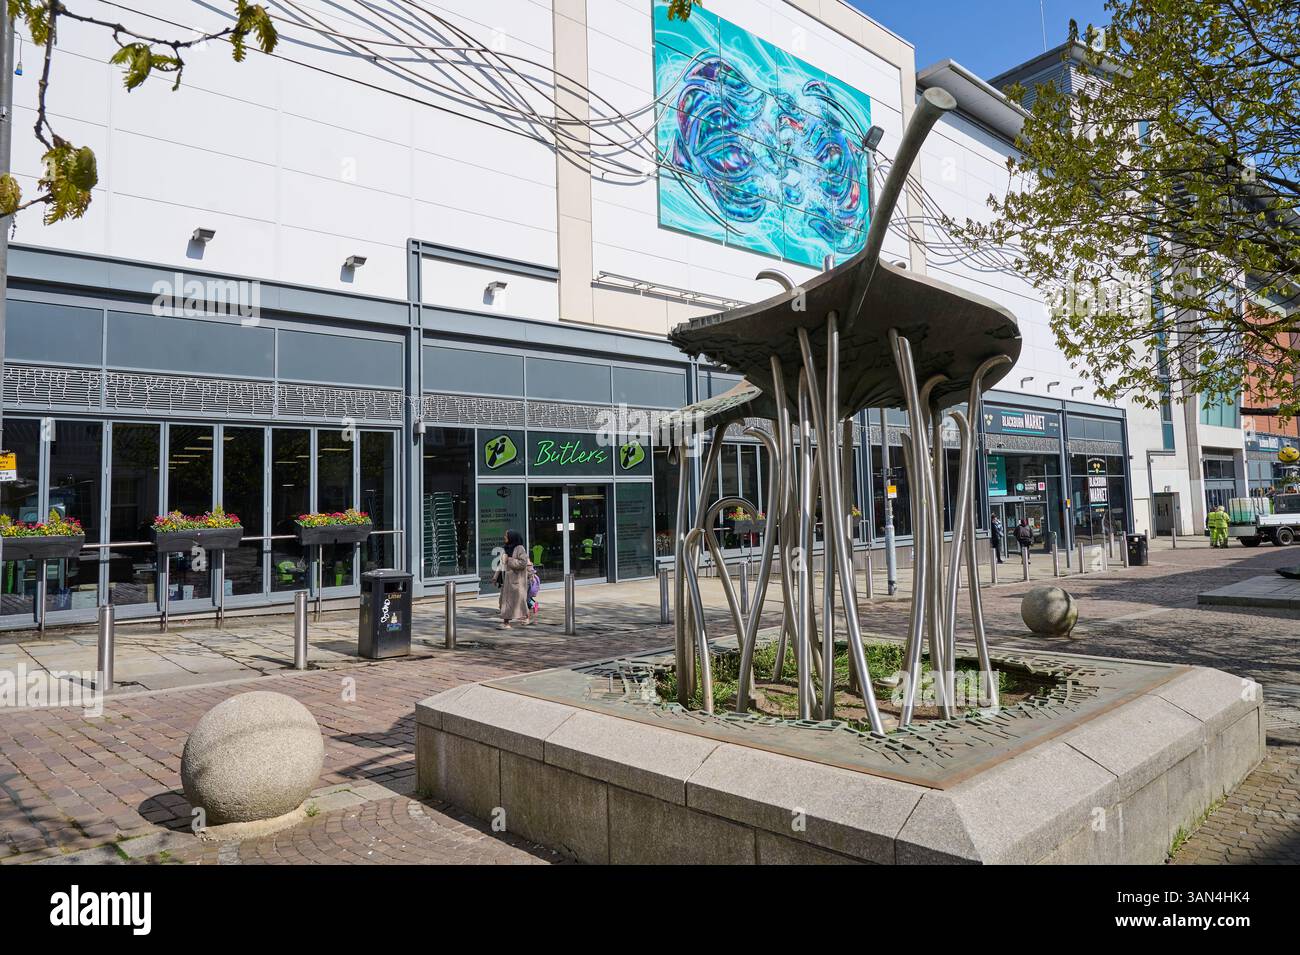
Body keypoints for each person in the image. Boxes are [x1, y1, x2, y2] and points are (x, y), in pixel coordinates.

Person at [495, 529, 531, 629]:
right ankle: (506, 622)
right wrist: (495, 577)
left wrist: (509, 560)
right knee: (505, 601)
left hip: (517, 581)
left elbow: (523, 563)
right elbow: (501, 563)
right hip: (506, 580)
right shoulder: (506, 548)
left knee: (519, 601)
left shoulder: (520, 549)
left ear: (512, 537)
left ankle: (523, 618)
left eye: (506, 536)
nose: (504, 537)